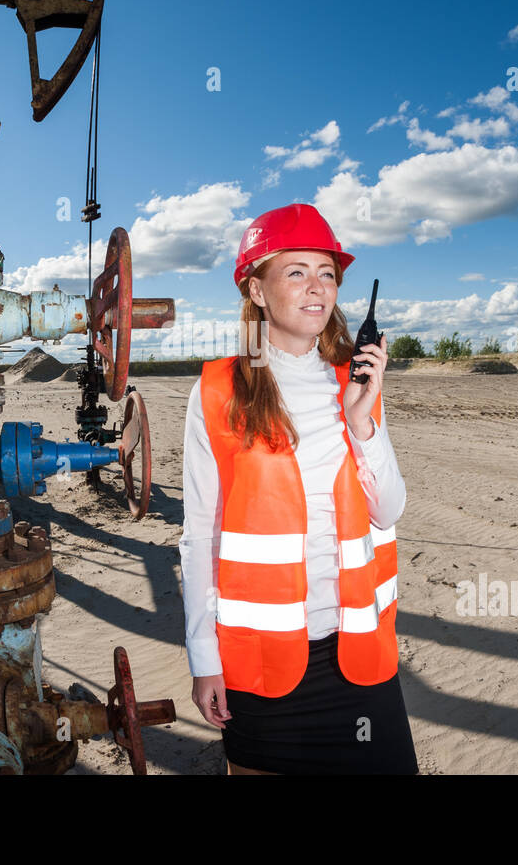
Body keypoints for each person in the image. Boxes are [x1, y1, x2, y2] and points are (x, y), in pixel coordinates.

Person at [179, 202, 418, 775]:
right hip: (262, 666)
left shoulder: (354, 384)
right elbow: (198, 536)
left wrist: (363, 425)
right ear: (257, 290)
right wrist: (203, 658)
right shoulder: (216, 392)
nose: (318, 289)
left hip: (358, 653)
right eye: (297, 272)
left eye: (327, 274)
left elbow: (388, 510)